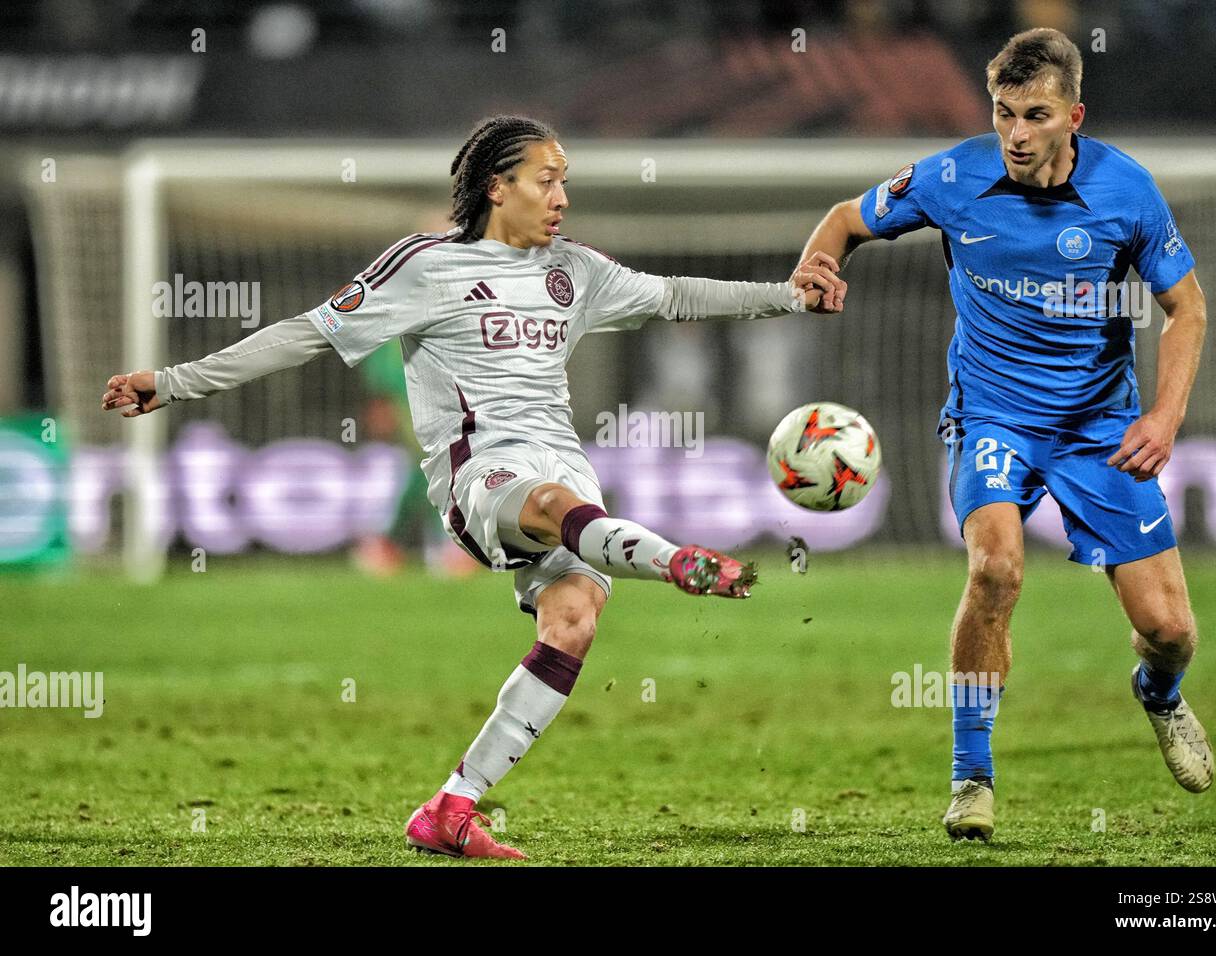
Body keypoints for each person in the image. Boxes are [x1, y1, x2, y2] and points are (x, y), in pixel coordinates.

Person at [102, 115, 848, 859]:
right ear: (499, 186)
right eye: (546, 180)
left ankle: (451, 808)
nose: (561, 197)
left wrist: (789, 296)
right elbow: (306, 333)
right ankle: (675, 562)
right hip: (480, 475)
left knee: (573, 620)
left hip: (565, 467)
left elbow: (677, 295)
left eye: (565, 183)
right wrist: (173, 383)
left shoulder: (575, 271)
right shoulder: (425, 265)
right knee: (554, 510)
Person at [797, 28, 1212, 841]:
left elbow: (1186, 308)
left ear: (1074, 117)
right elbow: (846, 219)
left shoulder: (1127, 191)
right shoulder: (951, 177)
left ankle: (1158, 694)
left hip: (1100, 426)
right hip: (991, 415)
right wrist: (818, 262)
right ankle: (971, 776)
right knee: (994, 568)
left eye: (1035, 115)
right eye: (1002, 114)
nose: (1015, 133)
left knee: (1169, 631)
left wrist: (1163, 417)